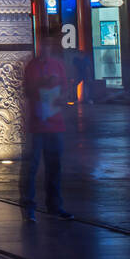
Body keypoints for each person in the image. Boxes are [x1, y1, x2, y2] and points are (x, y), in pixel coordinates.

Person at [20, 43, 74, 223]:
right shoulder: (32, 67)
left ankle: (55, 206)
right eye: (45, 45)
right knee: (32, 166)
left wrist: (62, 98)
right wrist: (42, 84)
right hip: (38, 124)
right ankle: (29, 207)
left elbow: (66, 90)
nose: (46, 49)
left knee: (54, 166)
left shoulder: (58, 66)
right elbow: (27, 90)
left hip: (55, 123)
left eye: (49, 45)